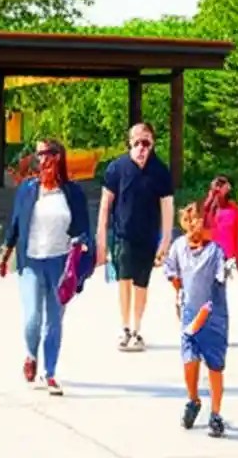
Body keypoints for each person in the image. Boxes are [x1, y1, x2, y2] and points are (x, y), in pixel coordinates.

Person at [0, 138, 93, 396]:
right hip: (30, 261)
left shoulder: (72, 193)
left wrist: (83, 254)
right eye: (39, 155)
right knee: (32, 318)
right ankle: (31, 354)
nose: (42, 160)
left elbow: (83, 229)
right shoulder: (28, 190)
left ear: (59, 157)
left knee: (54, 320)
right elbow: (16, 224)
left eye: (47, 154)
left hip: (60, 263)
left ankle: (49, 373)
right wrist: (6, 253)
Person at [96, 122, 175, 352]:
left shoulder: (160, 171)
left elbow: (167, 206)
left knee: (142, 283)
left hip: (148, 236)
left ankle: (137, 328)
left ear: (152, 144)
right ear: (130, 142)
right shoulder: (116, 168)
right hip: (123, 235)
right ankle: (125, 327)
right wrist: (101, 236)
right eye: (137, 142)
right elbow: (105, 205)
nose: (142, 147)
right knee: (124, 280)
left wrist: (166, 239)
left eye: (146, 142)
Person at [163, 203, 229, 438]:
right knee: (189, 361)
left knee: (215, 366)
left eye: (202, 220)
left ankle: (216, 414)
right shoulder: (179, 247)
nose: (197, 225)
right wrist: (178, 287)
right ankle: (193, 400)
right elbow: (170, 270)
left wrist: (228, 269)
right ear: (186, 223)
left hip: (214, 317)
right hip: (189, 316)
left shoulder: (215, 252)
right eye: (192, 220)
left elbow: (223, 272)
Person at [201, 175, 238, 274]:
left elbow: (237, 234)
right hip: (209, 254)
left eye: (222, 187)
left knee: (220, 284)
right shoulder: (208, 208)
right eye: (217, 187)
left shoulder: (233, 209)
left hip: (226, 255)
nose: (219, 191)